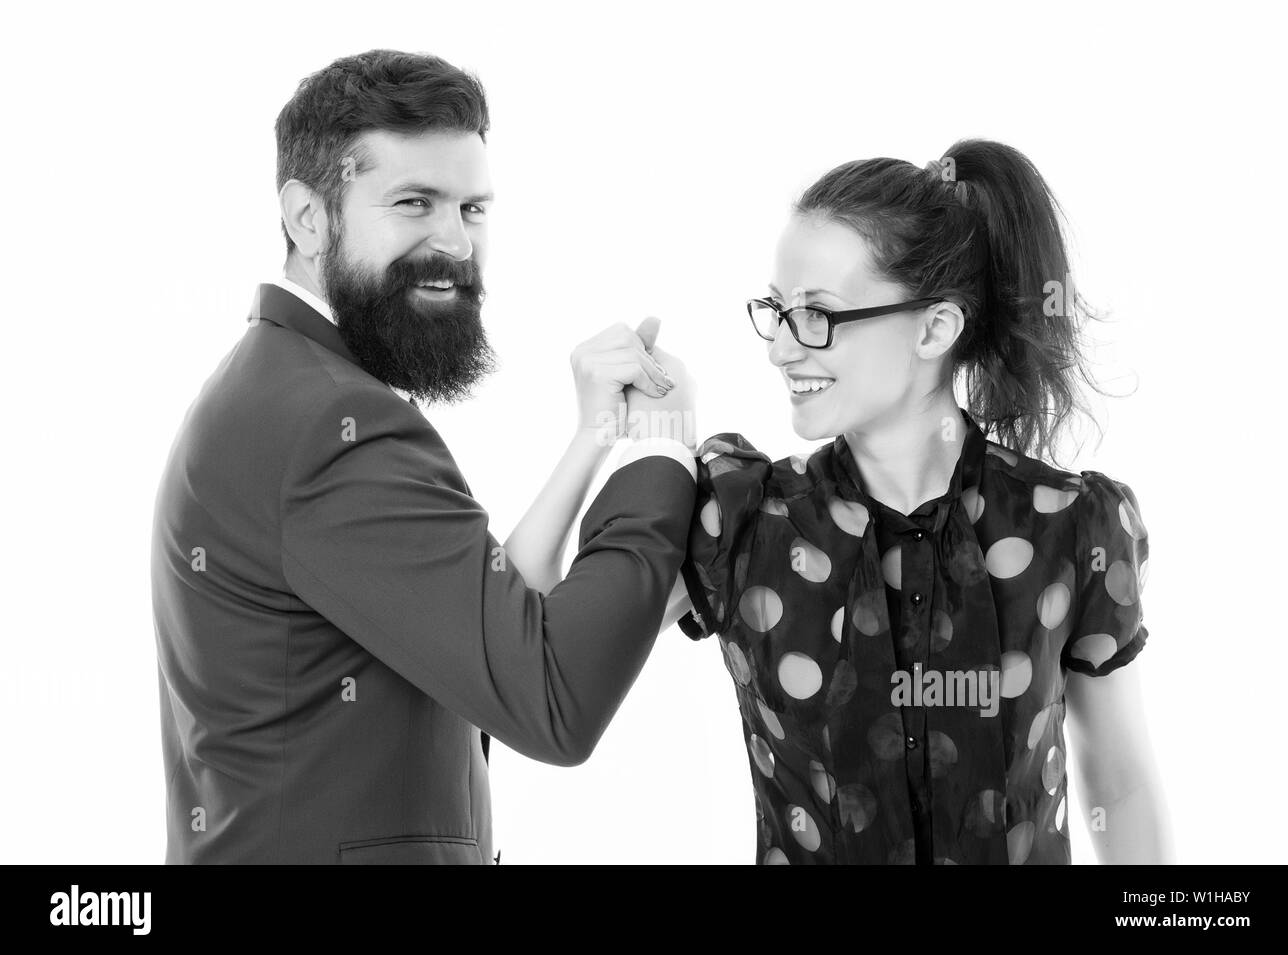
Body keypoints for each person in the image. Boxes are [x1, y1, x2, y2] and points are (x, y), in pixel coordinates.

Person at [514, 139, 1172, 864]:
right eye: (777, 310)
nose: (781, 349)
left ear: (934, 327)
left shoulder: (1072, 526)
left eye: (818, 314)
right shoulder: (741, 525)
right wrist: (597, 436)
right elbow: (539, 647)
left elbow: (1120, 783)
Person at [151, 49, 697, 864]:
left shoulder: (293, 386)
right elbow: (551, 697)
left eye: (473, 208)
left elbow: (494, 620)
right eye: (415, 203)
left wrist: (597, 438)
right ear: (308, 216)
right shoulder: (328, 423)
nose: (455, 242)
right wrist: (665, 448)